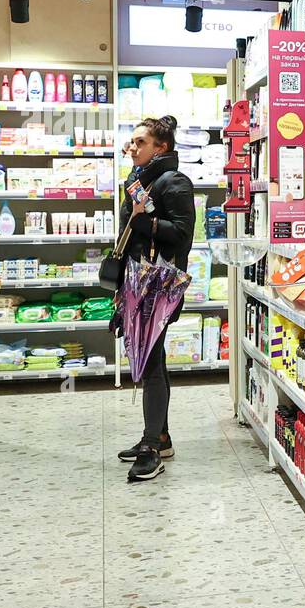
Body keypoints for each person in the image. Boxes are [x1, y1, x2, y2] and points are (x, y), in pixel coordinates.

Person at [114, 115, 195, 482]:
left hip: (160, 286)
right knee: (152, 359)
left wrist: (142, 221)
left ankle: (152, 446)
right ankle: (160, 438)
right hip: (138, 284)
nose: (132, 147)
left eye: (140, 142)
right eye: (131, 142)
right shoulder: (140, 181)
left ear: (160, 147)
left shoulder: (173, 181)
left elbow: (181, 235)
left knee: (150, 363)